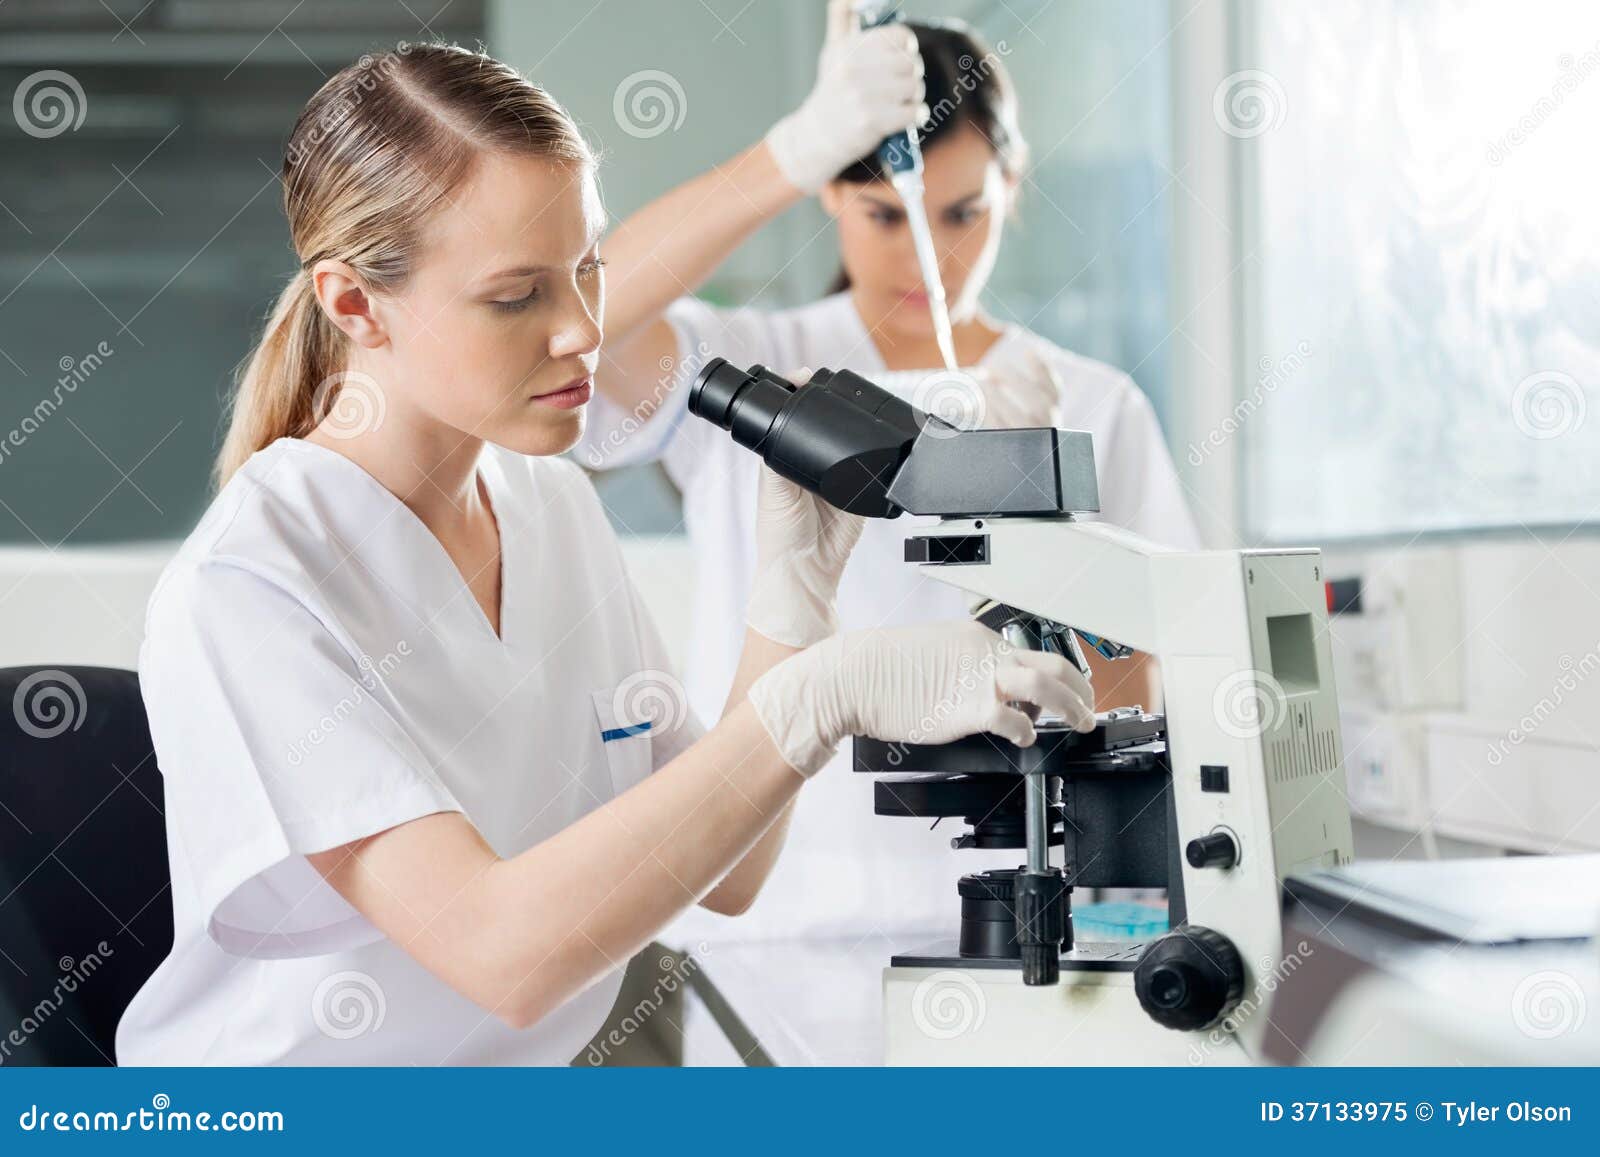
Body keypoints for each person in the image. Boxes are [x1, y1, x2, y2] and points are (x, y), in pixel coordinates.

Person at [112, 43, 1094, 1067]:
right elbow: (506, 956)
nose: (582, 328)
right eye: (515, 296)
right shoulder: (255, 583)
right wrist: (822, 698)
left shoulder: (546, 508)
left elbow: (732, 870)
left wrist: (792, 607)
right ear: (355, 304)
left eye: (587, 270)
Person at [579, 6, 1201, 954]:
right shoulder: (755, 367)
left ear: (1012, 186)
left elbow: (1143, 677)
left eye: (962, 213)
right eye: (886, 214)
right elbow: (584, 317)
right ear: (834, 194)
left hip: (1022, 922)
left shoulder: (1088, 400)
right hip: (770, 917)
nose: (926, 258)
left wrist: (1057, 543)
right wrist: (792, 150)